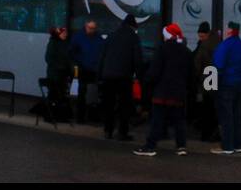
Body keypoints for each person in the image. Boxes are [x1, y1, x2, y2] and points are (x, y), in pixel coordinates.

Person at [134, 23, 193, 156]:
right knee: (179, 120)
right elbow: (190, 74)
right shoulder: (186, 51)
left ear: (167, 36)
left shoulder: (162, 49)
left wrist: (147, 82)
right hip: (179, 92)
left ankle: (150, 146)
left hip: (162, 92)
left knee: (157, 120)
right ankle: (181, 145)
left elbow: (154, 71)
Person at [99, 12, 142, 140]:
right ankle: (122, 132)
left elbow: (102, 56)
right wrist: (140, 76)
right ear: (133, 26)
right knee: (124, 105)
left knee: (109, 104)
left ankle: (108, 130)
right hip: (124, 76)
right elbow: (137, 59)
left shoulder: (111, 35)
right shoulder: (133, 38)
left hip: (108, 76)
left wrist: (99, 76)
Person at [212, 19, 241, 155]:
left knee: (226, 116)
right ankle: (238, 144)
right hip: (239, 86)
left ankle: (227, 146)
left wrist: (212, 84)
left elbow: (218, 65)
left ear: (229, 31)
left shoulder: (225, 46)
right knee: (236, 115)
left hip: (226, 85)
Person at [68, 19, 104, 124]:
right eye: (90, 28)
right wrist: (76, 64)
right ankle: (81, 117)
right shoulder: (79, 37)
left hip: (93, 69)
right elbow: (71, 53)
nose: (92, 30)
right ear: (86, 26)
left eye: (93, 28)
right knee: (82, 93)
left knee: (91, 94)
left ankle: (89, 116)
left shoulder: (98, 38)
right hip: (83, 69)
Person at [190, 21, 219, 142]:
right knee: (212, 108)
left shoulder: (204, 45)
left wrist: (195, 77)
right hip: (215, 77)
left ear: (207, 34)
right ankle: (213, 133)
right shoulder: (217, 42)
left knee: (207, 108)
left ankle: (206, 134)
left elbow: (197, 64)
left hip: (207, 78)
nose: (200, 38)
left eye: (202, 36)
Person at [44, 26, 73, 123]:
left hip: (61, 73)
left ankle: (57, 115)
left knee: (59, 95)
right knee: (54, 94)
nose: (66, 34)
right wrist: (60, 66)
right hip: (55, 74)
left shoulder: (63, 44)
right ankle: (51, 115)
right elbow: (49, 58)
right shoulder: (54, 43)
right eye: (64, 33)